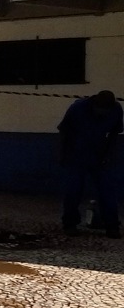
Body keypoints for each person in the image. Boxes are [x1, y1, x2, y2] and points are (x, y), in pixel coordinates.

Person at [57, 90, 122, 238]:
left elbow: (114, 133)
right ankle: (70, 224)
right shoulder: (77, 108)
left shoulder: (116, 110)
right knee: (73, 190)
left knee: (107, 191)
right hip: (76, 154)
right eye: (100, 110)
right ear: (94, 104)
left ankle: (112, 226)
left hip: (99, 155)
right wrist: (62, 154)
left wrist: (109, 155)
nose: (102, 114)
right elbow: (64, 131)